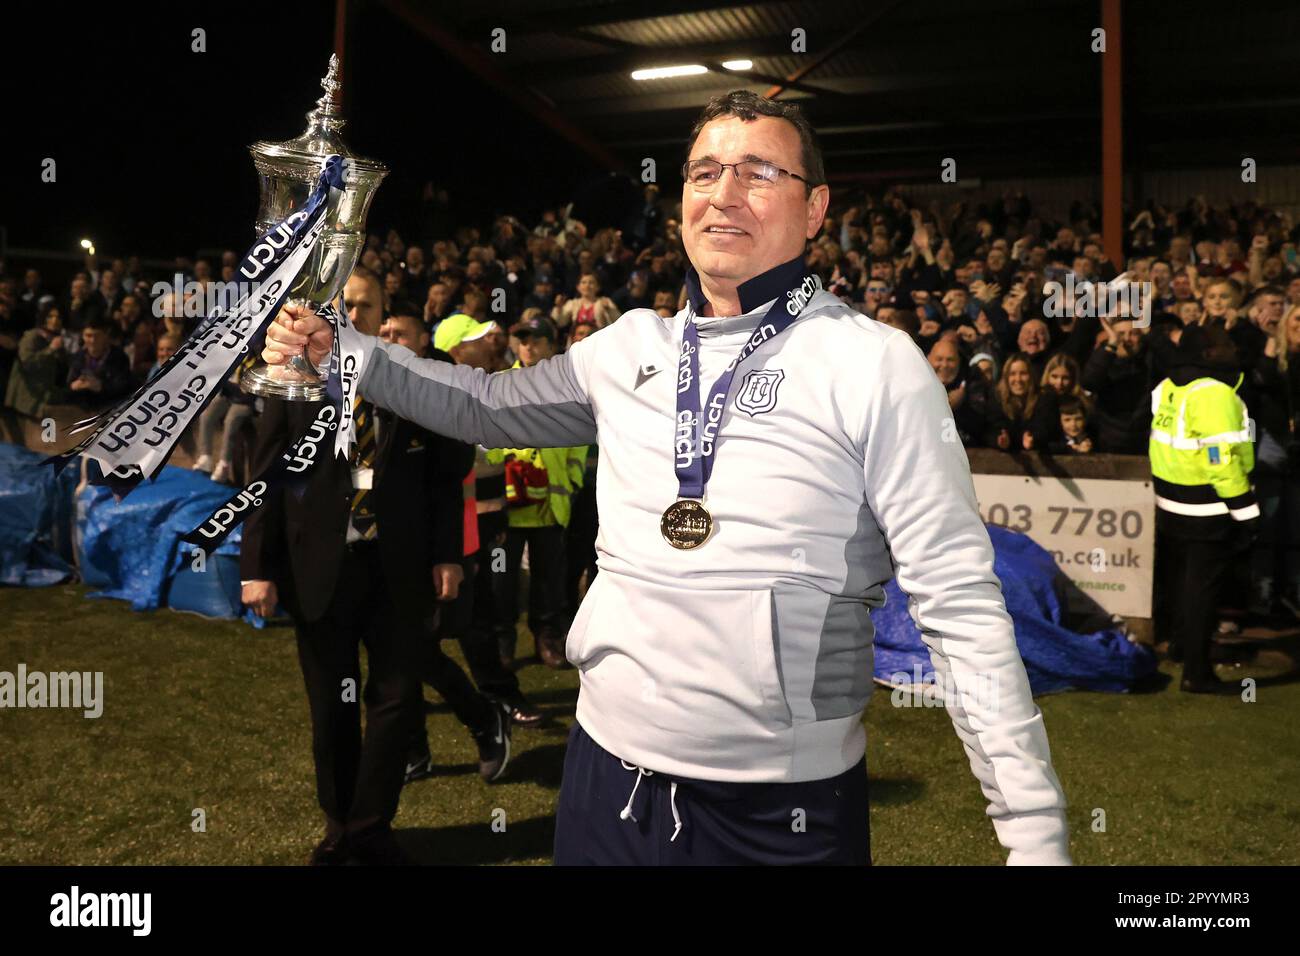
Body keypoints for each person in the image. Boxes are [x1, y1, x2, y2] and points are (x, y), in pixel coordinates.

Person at [263, 90, 1071, 865]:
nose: (725, 193)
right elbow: (486, 405)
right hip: (605, 778)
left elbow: (959, 602)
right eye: (703, 172)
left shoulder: (876, 366)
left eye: (759, 171)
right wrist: (348, 354)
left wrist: (1034, 835)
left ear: (816, 208)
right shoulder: (630, 346)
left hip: (781, 809)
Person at [240, 269, 507, 865]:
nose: (354, 315)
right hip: (321, 567)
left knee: (395, 699)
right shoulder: (294, 378)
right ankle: (338, 824)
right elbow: (263, 477)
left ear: (383, 313)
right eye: (345, 305)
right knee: (330, 705)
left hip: (400, 567)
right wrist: (255, 566)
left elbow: (444, 474)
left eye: (365, 306)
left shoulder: (409, 377)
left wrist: (447, 555)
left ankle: (371, 827)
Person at [1150, 323, 1259, 693]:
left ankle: (1184, 648)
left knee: (1185, 585)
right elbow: (1221, 459)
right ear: (1209, 353)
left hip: (1172, 503)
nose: (1234, 348)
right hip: (1206, 508)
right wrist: (1246, 511)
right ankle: (1197, 673)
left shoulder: (1169, 386)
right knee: (1202, 591)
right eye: (1226, 343)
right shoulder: (1214, 394)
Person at [487, 316, 589, 669]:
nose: (528, 346)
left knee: (549, 581)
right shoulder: (499, 383)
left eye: (536, 340)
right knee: (503, 582)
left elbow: (579, 444)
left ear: (551, 344)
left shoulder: (569, 389)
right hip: (509, 503)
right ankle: (502, 642)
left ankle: (547, 638)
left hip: (550, 504)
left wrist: (572, 481)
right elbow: (485, 436)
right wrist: (511, 467)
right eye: (523, 339)